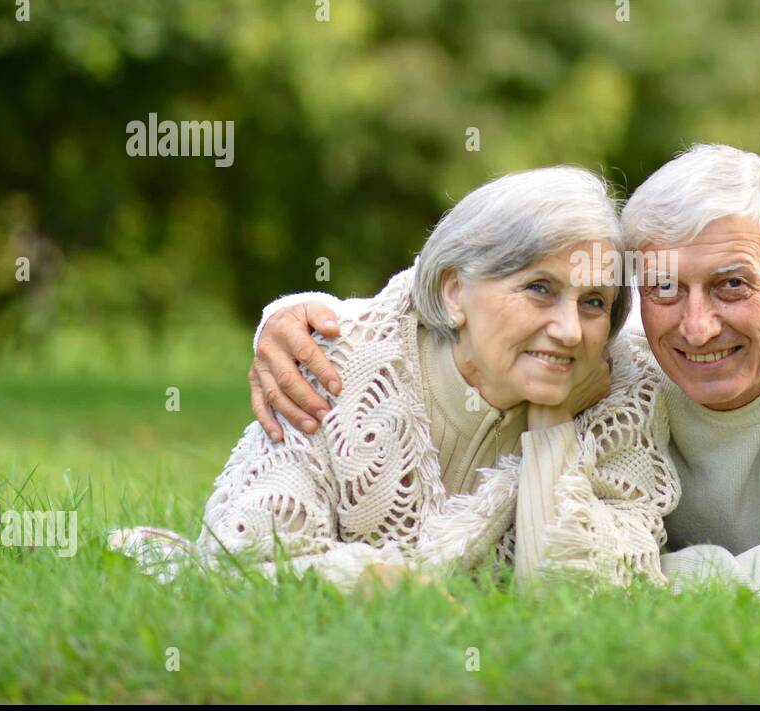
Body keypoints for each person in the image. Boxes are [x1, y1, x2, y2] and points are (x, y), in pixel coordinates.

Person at [252, 145, 760, 598]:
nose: (696, 325)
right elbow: (465, 292)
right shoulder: (615, 333)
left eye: (732, 285)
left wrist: (646, 583)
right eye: (664, 288)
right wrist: (295, 312)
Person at [109, 166, 680, 593]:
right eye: (539, 288)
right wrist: (392, 582)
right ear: (456, 292)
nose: (570, 330)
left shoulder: (620, 391)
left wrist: (551, 426)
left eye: (594, 302)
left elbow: (579, 590)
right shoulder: (339, 363)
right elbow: (243, 559)